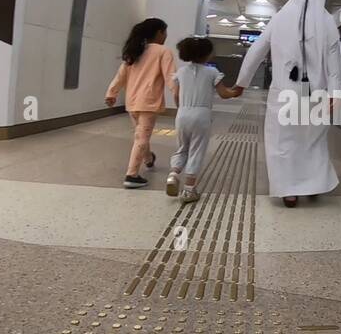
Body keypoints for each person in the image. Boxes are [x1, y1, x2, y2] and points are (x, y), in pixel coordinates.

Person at [233, 0, 341, 207]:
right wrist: (336, 93)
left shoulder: (280, 18)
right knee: (313, 142)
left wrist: (242, 82)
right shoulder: (326, 21)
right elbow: (334, 62)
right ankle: (314, 185)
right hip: (316, 94)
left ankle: (289, 192)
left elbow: (257, 49)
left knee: (282, 142)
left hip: (283, 93)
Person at [167, 36, 242, 204]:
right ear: (207, 54)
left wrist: (181, 109)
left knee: (182, 148)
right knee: (196, 150)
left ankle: (173, 175)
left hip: (182, 113)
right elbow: (224, 93)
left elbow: (176, 94)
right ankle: (188, 190)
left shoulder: (181, 72)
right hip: (201, 115)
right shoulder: (212, 72)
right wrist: (236, 92)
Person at [104, 18, 176, 189]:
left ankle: (148, 159)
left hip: (132, 101)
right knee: (142, 136)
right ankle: (132, 174)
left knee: (140, 135)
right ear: (159, 33)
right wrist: (179, 95)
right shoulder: (163, 51)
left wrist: (111, 93)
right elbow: (171, 77)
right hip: (148, 102)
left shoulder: (135, 50)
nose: (166, 36)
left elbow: (121, 75)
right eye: (164, 32)